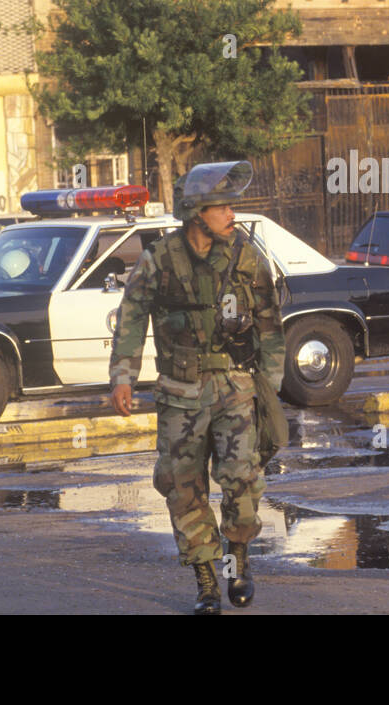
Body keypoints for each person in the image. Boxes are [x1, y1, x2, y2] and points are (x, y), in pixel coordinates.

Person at [107, 161, 286, 615]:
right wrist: (123, 376)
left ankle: (238, 558)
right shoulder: (159, 258)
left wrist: (271, 387)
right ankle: (207, 581)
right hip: (178, 391)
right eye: (221, 207)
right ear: (196, 214)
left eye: (230, 206)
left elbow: (270, 325)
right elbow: (131, 317)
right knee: (183, 488)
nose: (231, 214)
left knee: (242, 479)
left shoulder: (246, 257)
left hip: (235, 386)